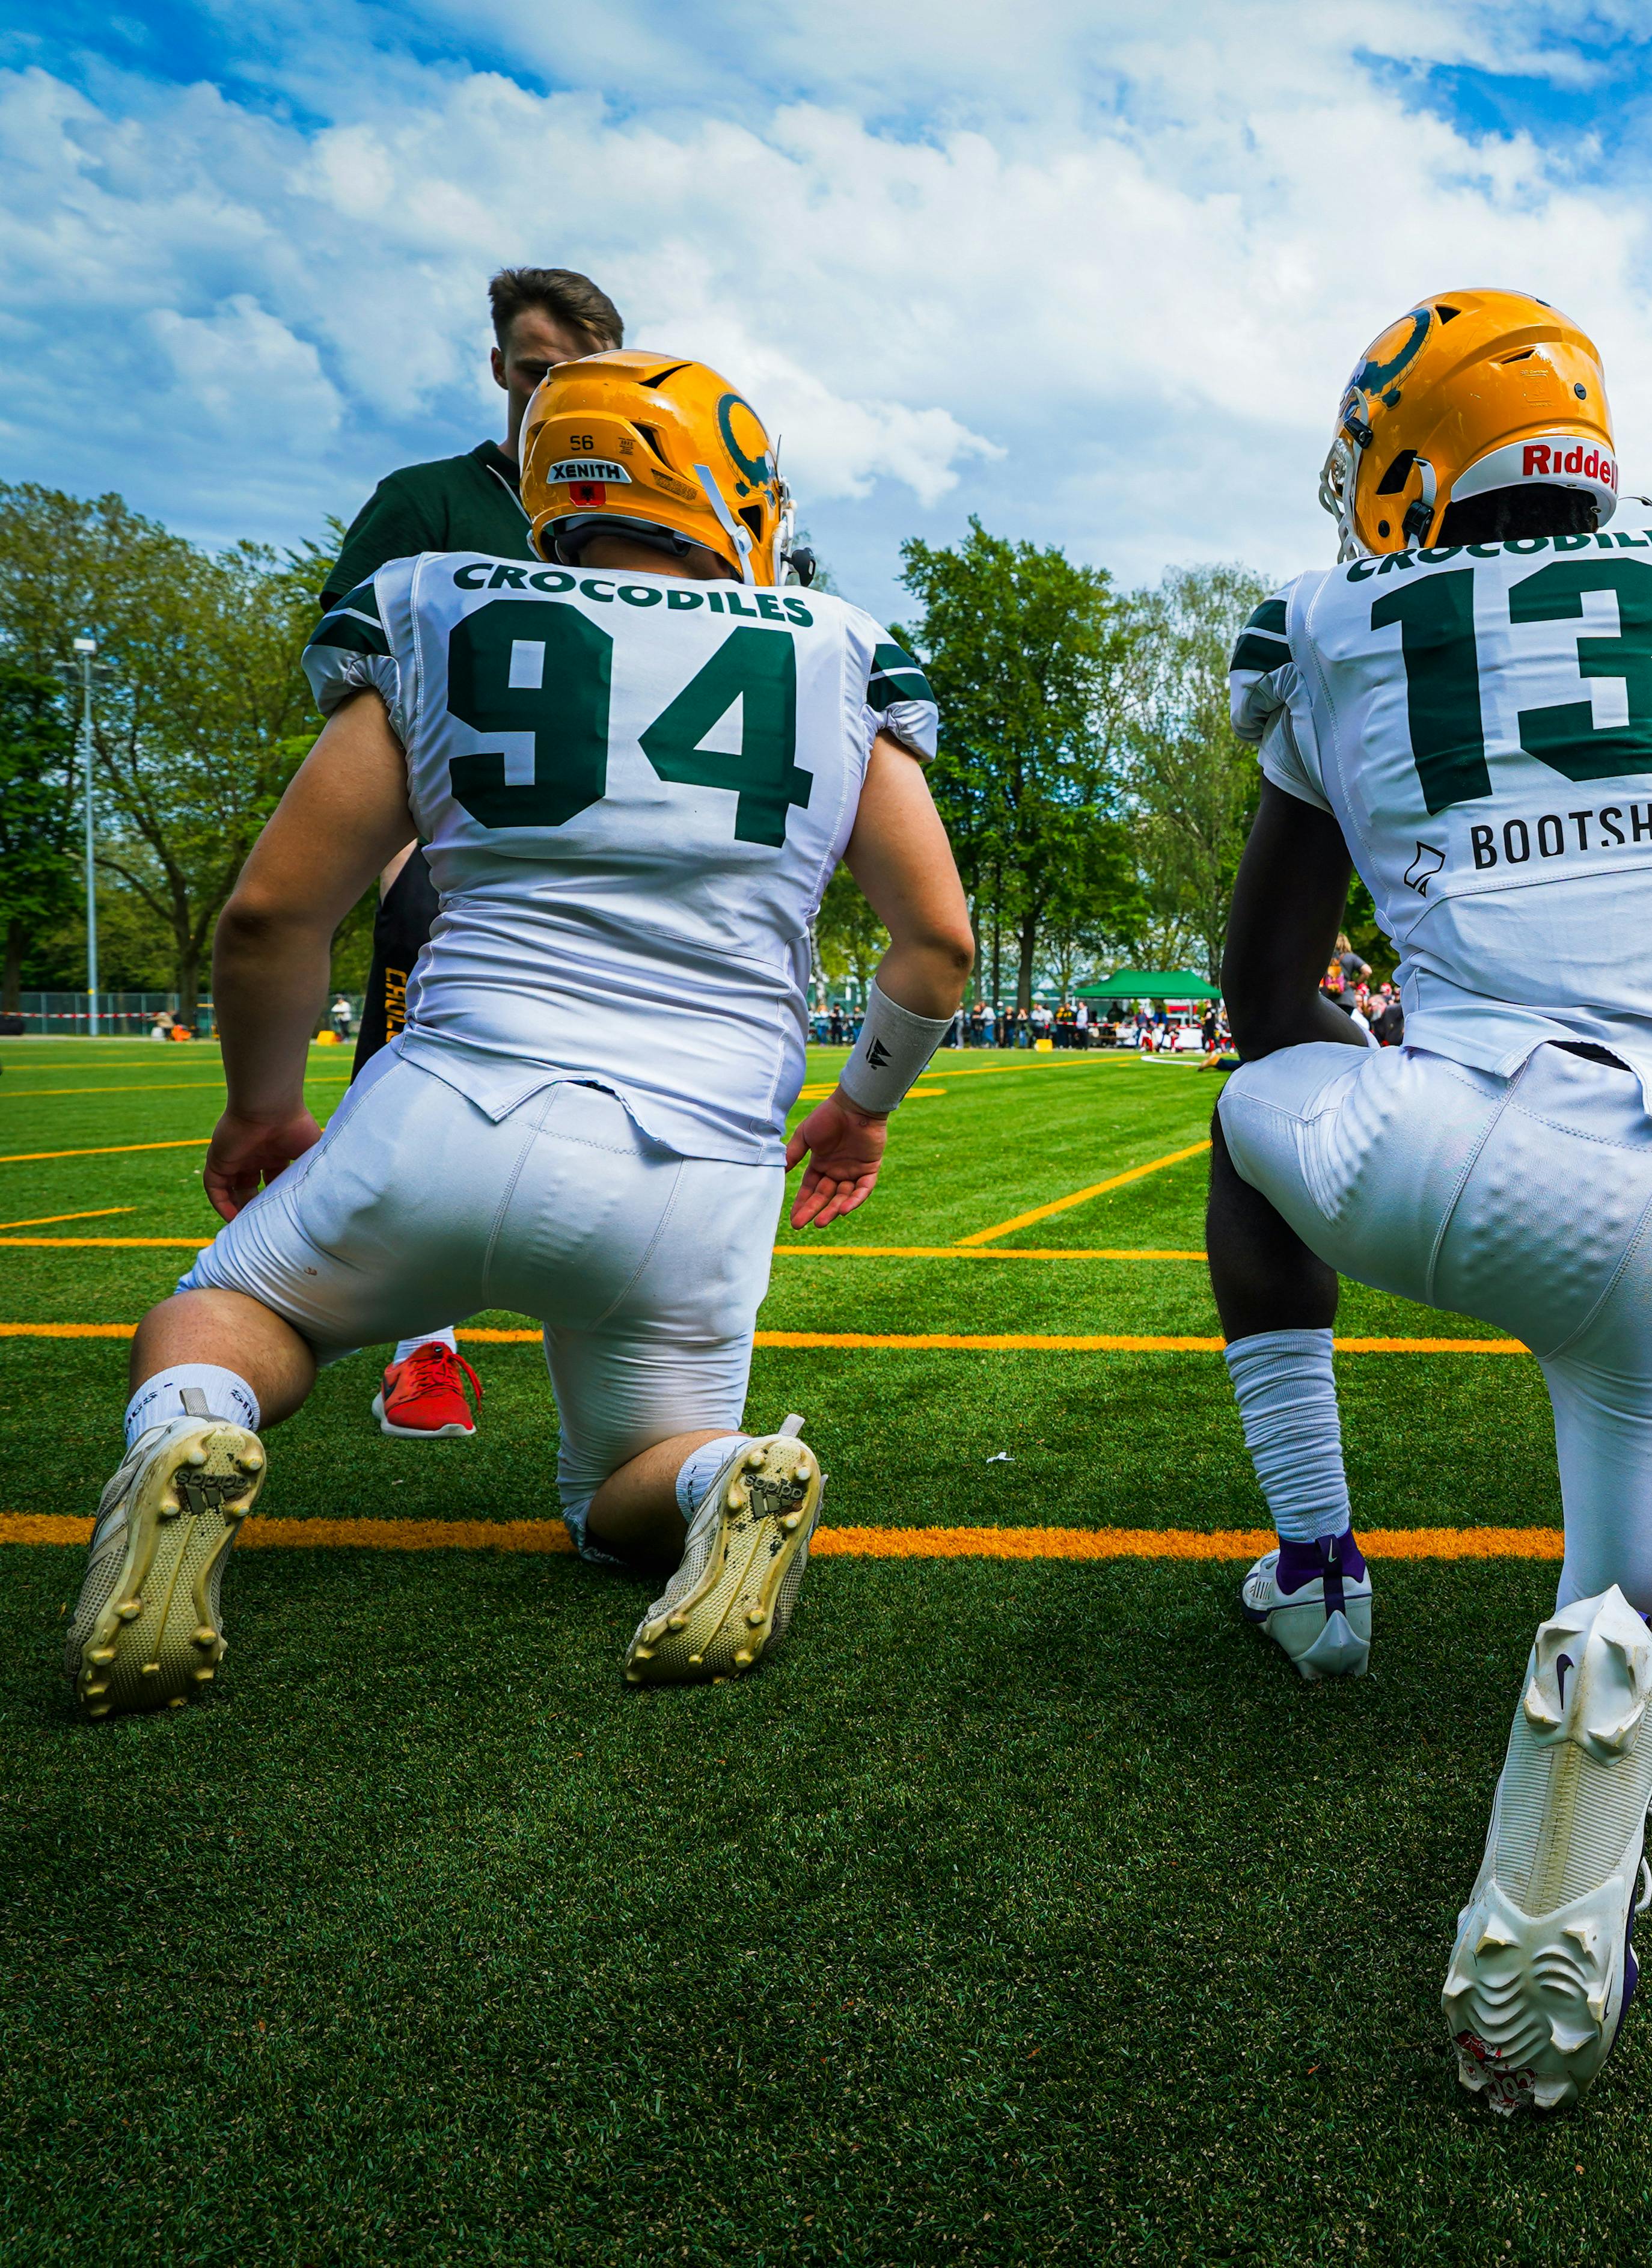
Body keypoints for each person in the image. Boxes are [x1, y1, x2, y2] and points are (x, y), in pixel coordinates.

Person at [64, 349, 973, 1721]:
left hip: (448, 1105)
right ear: (736, 494)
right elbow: (939, 942)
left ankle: (197, 1428)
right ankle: (713, 1483)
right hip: (697, 1162)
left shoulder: (436, 605)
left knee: (231, 1311)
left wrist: (261, 1102)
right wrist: (866, 1101)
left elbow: (269, 914)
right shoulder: (838, 647)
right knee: (626, 1482)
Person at [1201, 289, 1652, 2112]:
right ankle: (1635, 1693)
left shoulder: (1333, 621)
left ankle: (1322, 1562)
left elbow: (1261, 995)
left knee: (1248, 1106)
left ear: (1420, 445)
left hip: (1456, 1153)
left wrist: (1376, 1033)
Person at [330, 267, 631, 1444]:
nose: (553, 385)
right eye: (536, 362)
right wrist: (398, 846)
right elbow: (359, 692)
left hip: (601, 859)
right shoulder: (429, 503)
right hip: (450, 850)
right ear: (503, 367)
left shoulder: (639, 525)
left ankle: (623, 1354)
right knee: (420, 1084)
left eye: (580, 365)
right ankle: (425, 1346)